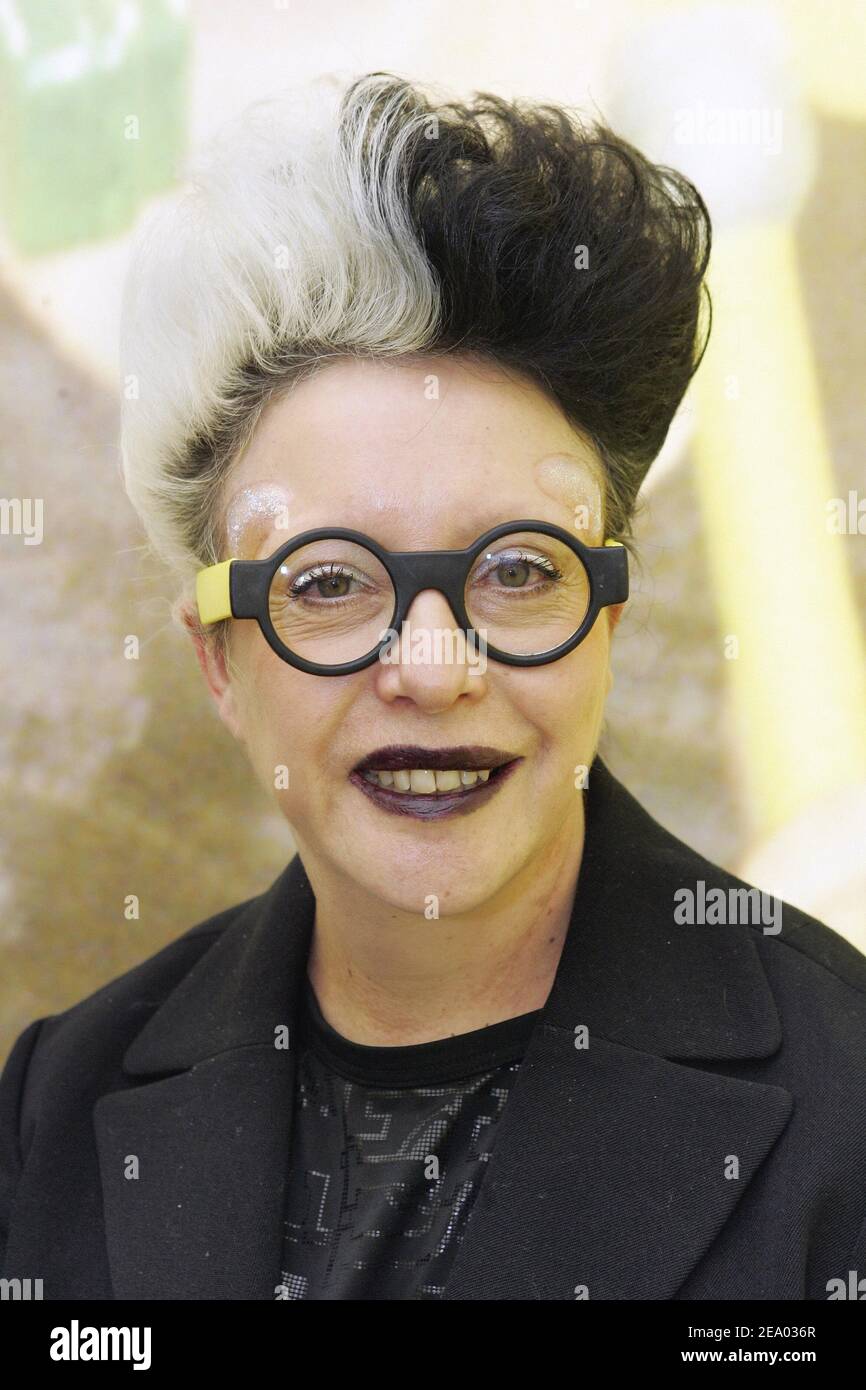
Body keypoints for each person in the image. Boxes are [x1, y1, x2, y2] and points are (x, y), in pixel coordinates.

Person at [1, 72, 864, 1302]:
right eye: (330, 582)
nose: (432, 668)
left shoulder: (845, 1100)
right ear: (220, 661)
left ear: (604, 620)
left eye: (515, 570)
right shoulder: (58, 1106)